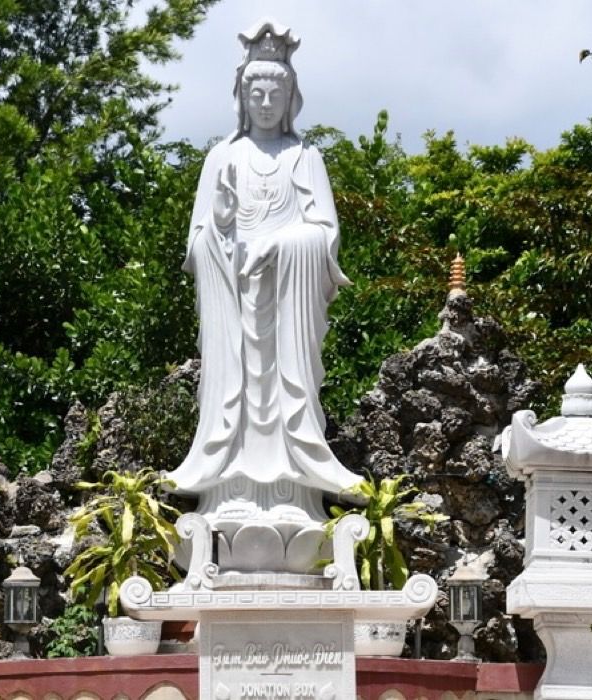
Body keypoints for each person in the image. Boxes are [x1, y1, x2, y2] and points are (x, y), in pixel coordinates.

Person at [167, 20, 362, 524]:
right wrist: (224, 226)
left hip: (286, 305)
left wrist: (283, 244)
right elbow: (197, 243)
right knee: (236, 388)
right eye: (257, 91)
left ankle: (295, 491)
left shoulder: (306, 157)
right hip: (235, 299)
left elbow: (325, 234)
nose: (267, 101)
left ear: (292, 97)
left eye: (277, 91)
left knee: (284, 390)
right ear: (242, 96)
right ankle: (227, 481)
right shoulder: (221, 157)